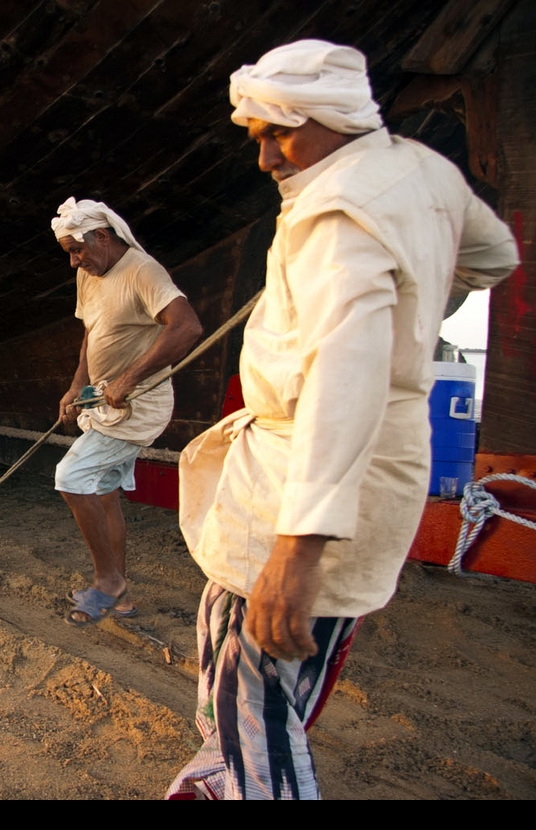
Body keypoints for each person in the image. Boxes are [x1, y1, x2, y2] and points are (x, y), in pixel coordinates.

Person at [168, 39, 519, 800]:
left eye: (277, 133)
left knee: (253, 689)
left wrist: (298, 550)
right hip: (384, 466)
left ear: (331, 119)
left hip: (307, 472)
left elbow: (342, 382)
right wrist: (414, 287)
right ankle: (217, 777)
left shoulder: (337, 215)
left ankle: (250, 783)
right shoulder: (423, 172)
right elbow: (492, 259)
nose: (263, 158)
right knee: (260, 659)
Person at [51, 197, 202, 626]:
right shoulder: (90, 275)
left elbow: (187, 325)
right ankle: (122, 597)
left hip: (138, 406)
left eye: (77, 250)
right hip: (102, 402)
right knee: (103, 493)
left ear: (103, 236)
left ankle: (107, 581)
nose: (74, 262)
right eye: (69, 253)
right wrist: (77, 384)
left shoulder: (142, 270)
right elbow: (91, 331)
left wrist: (130, 378)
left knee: (71, 477)